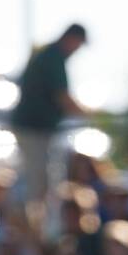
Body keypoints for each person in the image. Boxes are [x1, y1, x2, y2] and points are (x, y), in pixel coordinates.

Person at [11, 23, 89, 227]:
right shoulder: (53, 57)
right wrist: (90, 116)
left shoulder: (49, 54)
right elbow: (63, 97)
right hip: (33, 130)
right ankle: (34, 228)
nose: (78, 50)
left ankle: (38, 226)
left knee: (41, 181)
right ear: (72, 39)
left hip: (36, 129)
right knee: (37, 183)